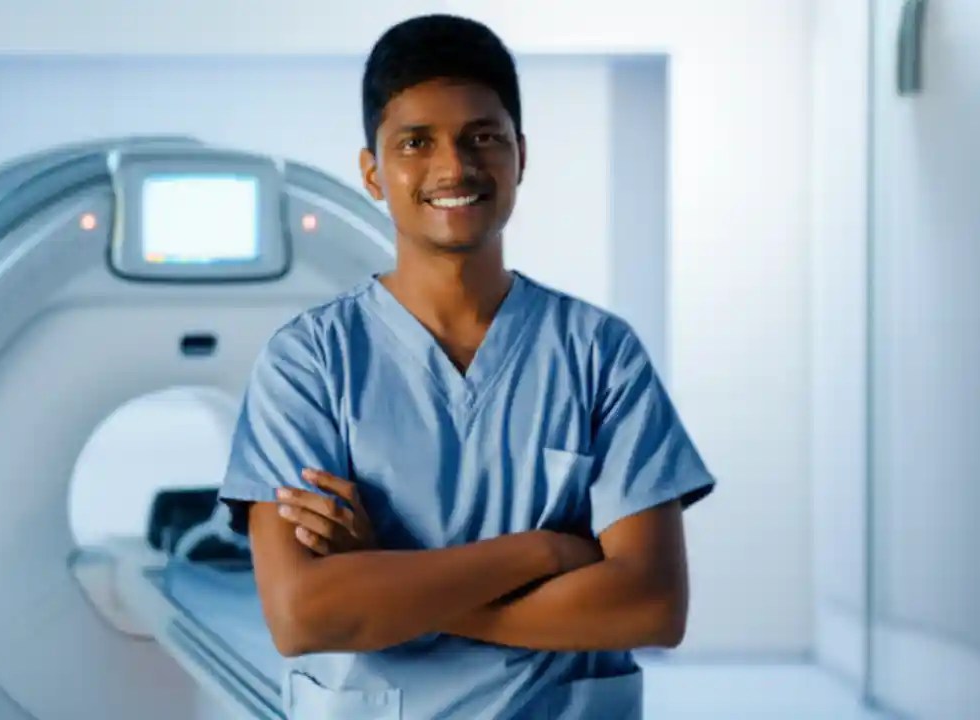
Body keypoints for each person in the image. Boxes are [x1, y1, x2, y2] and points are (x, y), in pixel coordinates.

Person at [217, 13, 716, 719]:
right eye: (415, 142)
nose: (453, 167)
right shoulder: (309, 363)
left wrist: (388, 586)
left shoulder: (599, 353)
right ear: (372, 172)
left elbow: (652, 605)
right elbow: (305, 616)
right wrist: (544, 552)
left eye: (482, 137)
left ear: (520, 156)